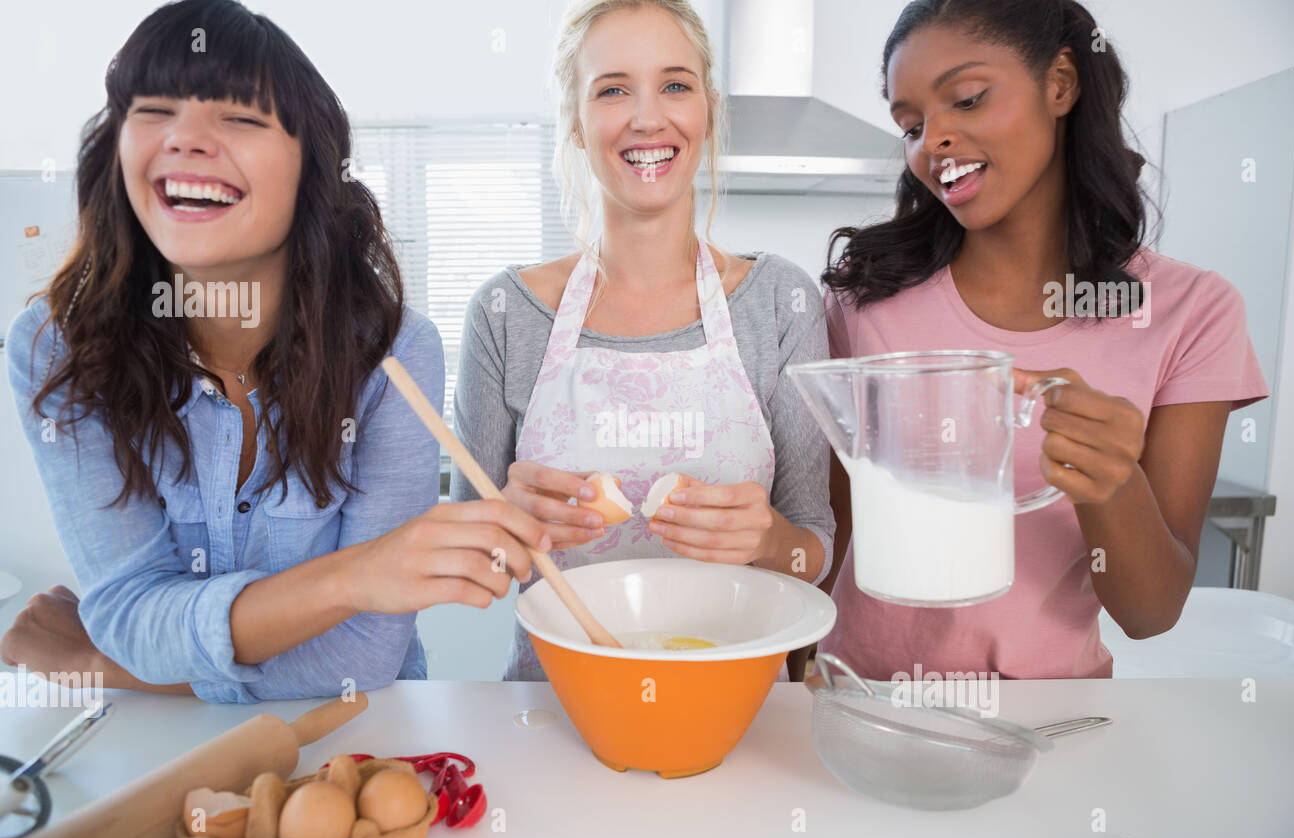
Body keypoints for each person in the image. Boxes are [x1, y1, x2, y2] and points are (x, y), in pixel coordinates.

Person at [3, 0, 548, 702]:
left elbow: (364, 661)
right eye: (155, 110)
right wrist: (354, 577)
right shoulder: (56, 351)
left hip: (357, 739)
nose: (186, 139)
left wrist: (110, 667)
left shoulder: (393, 355)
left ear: (310, 174)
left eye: (240, 118)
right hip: (154, 751)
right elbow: (130, 613)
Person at [818, 0, 1269, 680]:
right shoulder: (865, 297)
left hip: (1054, 723)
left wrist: (1110, 484)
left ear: (1060, 84)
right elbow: (831, 535)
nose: (931, 141)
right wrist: (787, 680)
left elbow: (1150, 612)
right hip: (863, 701)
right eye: (910, 125)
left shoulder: (1193, 312)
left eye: (966, 100)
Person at [451, 0, 835, 681]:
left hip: (737, 711)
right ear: (574, 119)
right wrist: (508, 529)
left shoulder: (782, 303)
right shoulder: (506, 314)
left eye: (675, 85)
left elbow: (815, 550)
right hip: (553, 711)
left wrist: (770, 538)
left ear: (708, 110)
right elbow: (472, 570)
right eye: (613, 89)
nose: (648, 117)